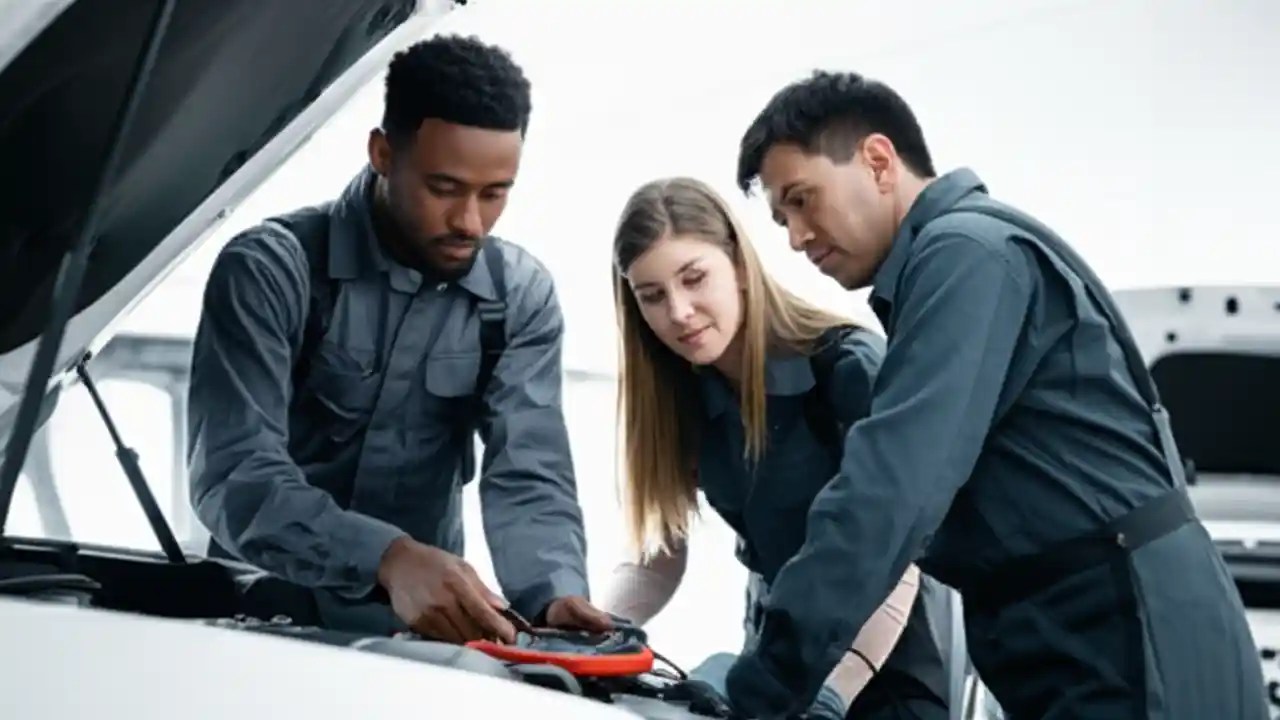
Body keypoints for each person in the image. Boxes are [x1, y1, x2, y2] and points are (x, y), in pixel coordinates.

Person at [718, 69, 1268, 719]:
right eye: (782, 219)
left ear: (877, 160)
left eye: (803, 200)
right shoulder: (958, 259)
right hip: (1085, 632)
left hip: (1126, 631)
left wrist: (764, 685)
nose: (796, 237)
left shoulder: (966, 256)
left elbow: (889, 490)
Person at [186, 35, 612, 642]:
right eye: (444, 188)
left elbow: (528, 470)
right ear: (383, 153)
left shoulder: (520, 296)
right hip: (258, 626)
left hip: (420, 645)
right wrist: (387, 556)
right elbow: (234, 474)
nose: (470, 222)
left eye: (494, 194)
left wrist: (553, 595)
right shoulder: (271, 269)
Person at [600, 176, 950, 719]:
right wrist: (597, 636)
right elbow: (657, 559)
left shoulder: (847, 369)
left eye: (695, 279)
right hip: (773, 674)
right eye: (653, 296)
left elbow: (902, 562)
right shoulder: (679, 400)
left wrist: (833, 693)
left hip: (880, 672)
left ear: (738, 265)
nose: (680, 312)